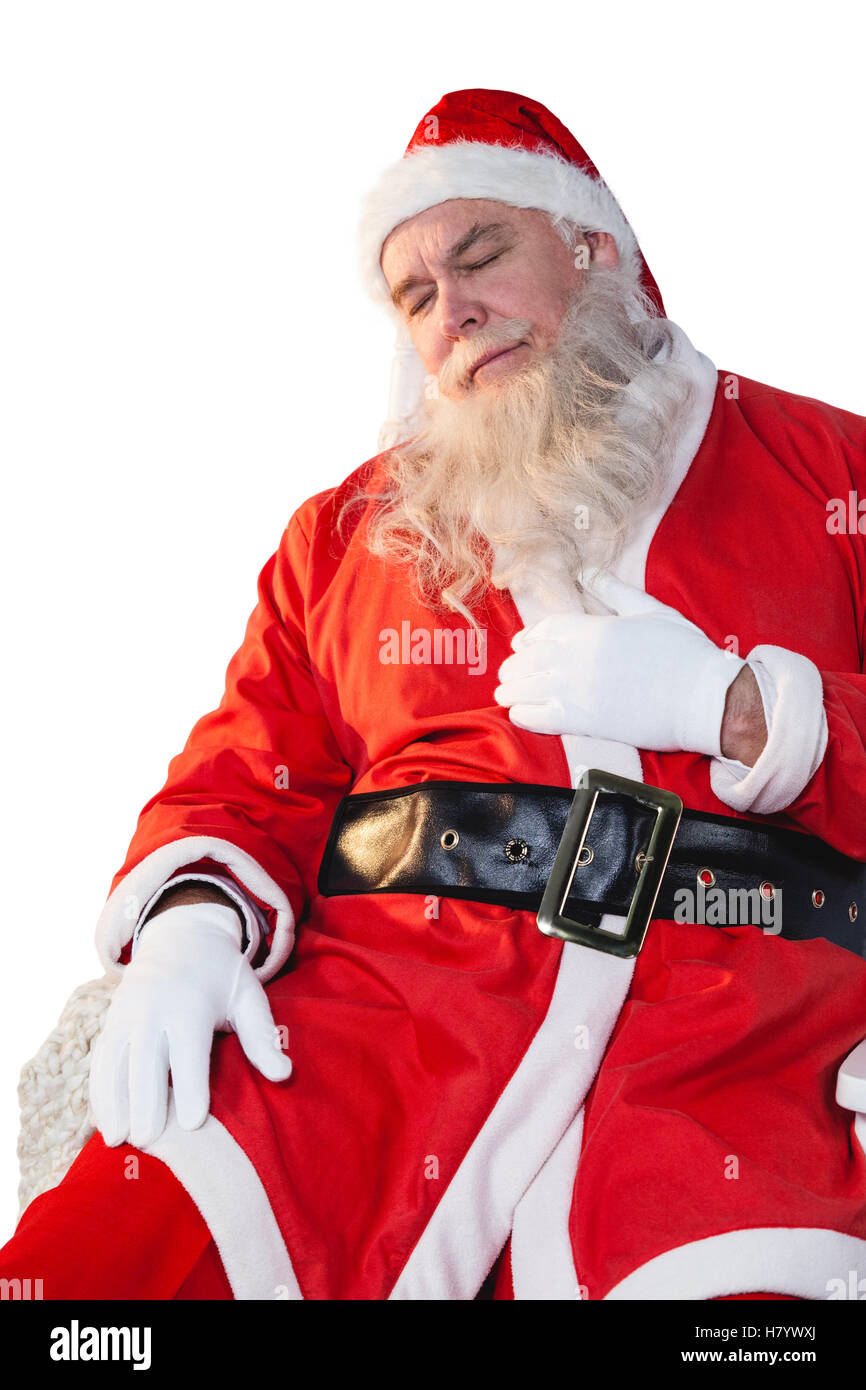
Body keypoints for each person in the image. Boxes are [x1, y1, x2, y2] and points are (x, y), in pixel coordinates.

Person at [2, 87, 866, 1302]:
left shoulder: (833, 477)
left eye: (481, 257)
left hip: (727, 1072)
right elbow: (247, 772)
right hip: (368, 1049)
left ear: (592, 248)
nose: (452, 311)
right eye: (415, 297)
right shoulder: (344, 537)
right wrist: (192, 921)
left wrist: (745, 712)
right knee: (92, 1288)